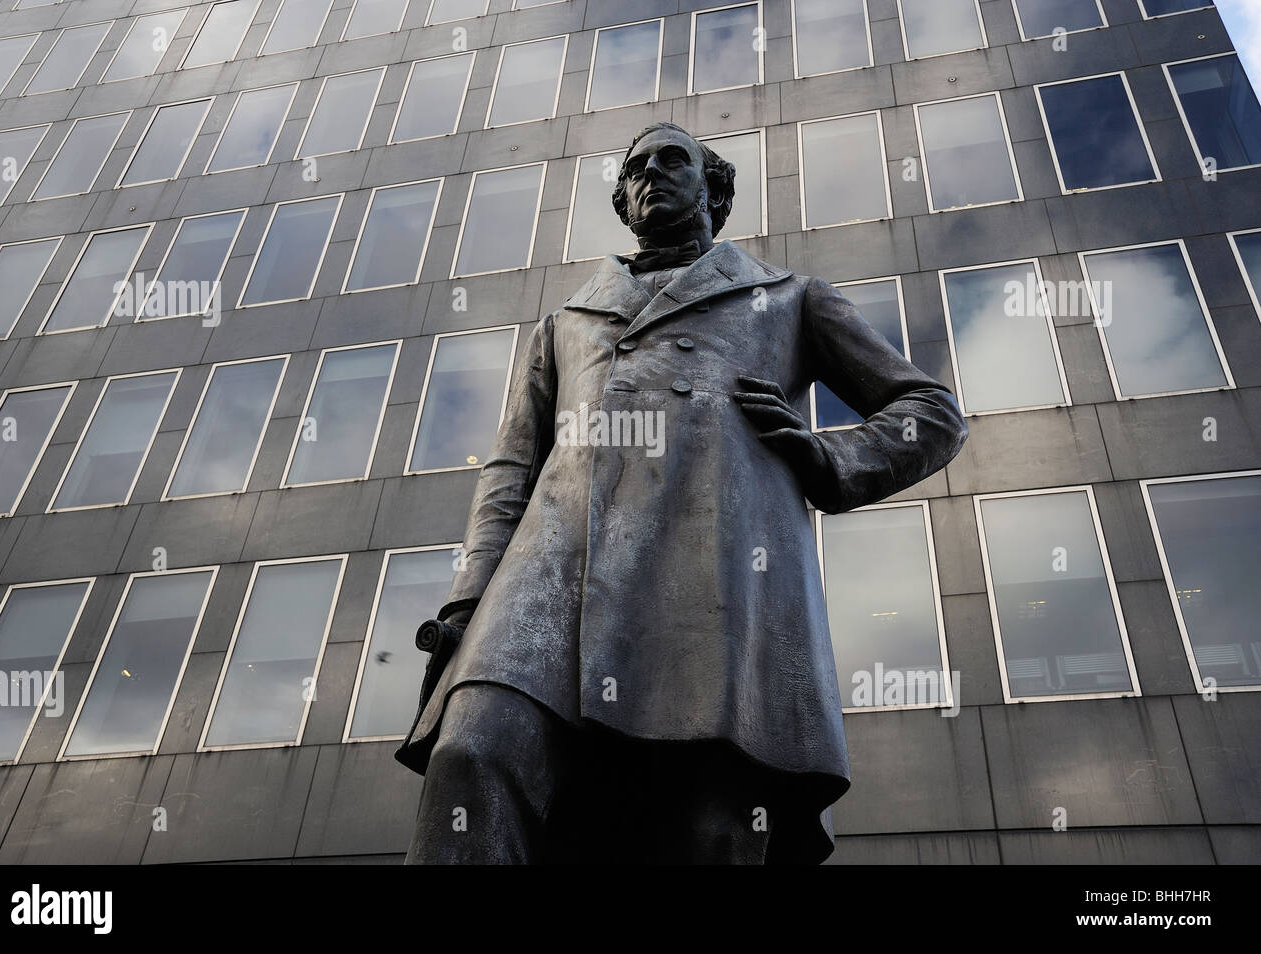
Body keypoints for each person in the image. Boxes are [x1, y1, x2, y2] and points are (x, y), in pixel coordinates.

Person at [397, 121, 968, 864]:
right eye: (636, 168)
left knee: (705, 827)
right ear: (623, 199)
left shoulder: (789, 299)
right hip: (546, 582)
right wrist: (466, 604)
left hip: (712, 586)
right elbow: (509, 469)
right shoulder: (564, 323)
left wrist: (823, 455)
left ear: (714, 189)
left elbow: (930, 412)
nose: (652, 175)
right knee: (472, 753)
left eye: (674, 160)